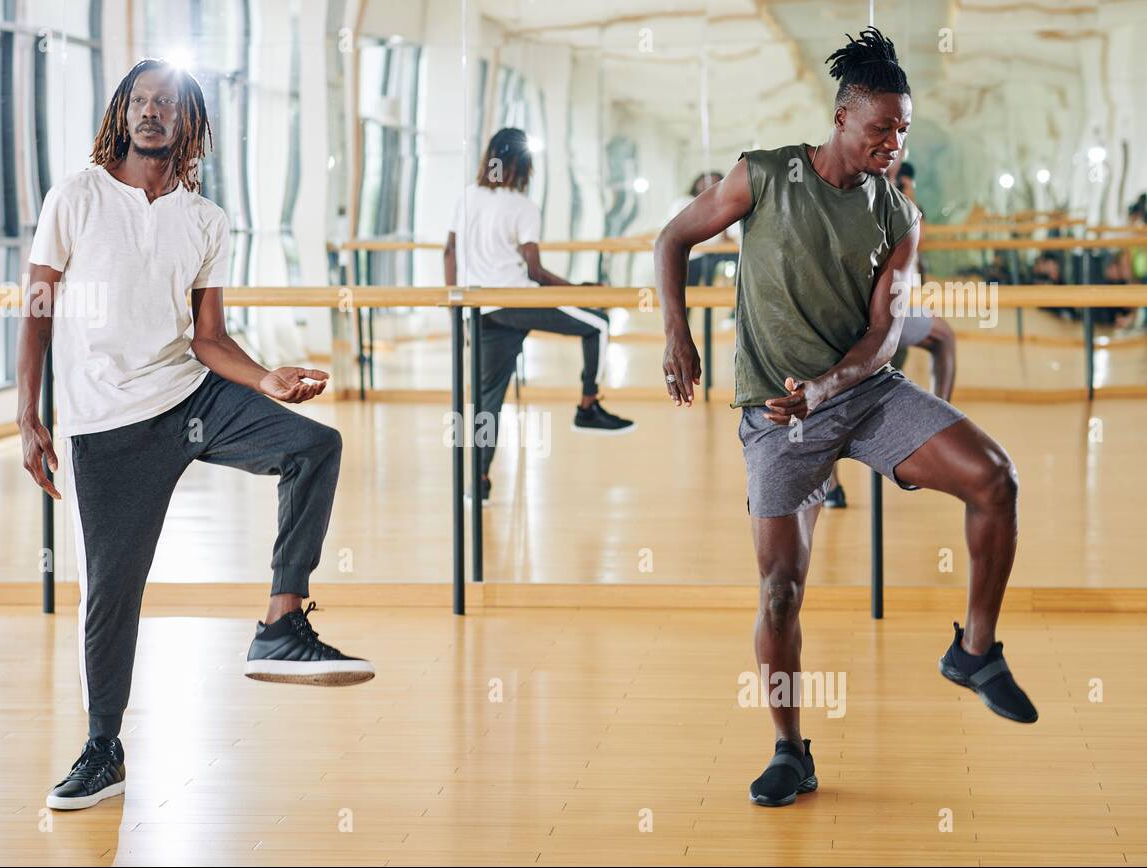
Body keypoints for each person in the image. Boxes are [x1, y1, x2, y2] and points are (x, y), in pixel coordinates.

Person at [655, 28, 1037, 808]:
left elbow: (883, 334)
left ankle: (974, 651)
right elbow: (674, 238)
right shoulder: (764, 176)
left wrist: (829, 386)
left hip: (861, 395)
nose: (893, 143)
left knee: (996, 480)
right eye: (880, 129)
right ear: (841, 118)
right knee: (779, 593)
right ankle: (790, 751)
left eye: (903, 130)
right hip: (776, 414)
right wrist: (677, 334)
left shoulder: (900, 215)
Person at [17, 60, 374, 812]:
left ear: (188, 122)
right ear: (123, 111)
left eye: (166, 104)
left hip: (190, 395)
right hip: (105, 424)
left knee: (314, 447)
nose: (151, 113)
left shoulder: (205, 219)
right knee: (111, 594)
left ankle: (281, 623)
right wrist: (28, 414)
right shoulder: (76, 197)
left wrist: (266, 379)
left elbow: (208, 336)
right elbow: (39, 307)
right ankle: (102, 749)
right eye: (140, 101)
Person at [444, 127, 635, 505]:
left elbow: (449, 253)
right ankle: (588, 406)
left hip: (480, 308)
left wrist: (458, 312)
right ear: (525, 164)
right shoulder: (522, 206)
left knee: (487, 399)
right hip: (517, 301)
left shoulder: (467, 197)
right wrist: (579, 291)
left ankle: (477, 481)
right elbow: (534, 272)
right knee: (597, 323)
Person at [825, 156, 957, 508]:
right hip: (880, 308)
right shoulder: (874, 193)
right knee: (941, 339)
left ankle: (833, 485)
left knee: (858, 387)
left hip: (886, 307)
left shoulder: (873, 192)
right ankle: (937, 428)